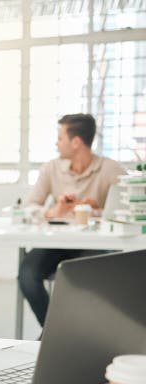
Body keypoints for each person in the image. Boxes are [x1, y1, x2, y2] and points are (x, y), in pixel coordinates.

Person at [19, 113, 125, 327]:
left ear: (76, 142)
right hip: (55, 243)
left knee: (85, 280)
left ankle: (82, 333)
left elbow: (126, 212)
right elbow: (28, 208)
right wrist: (53, 211)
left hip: (93, 245)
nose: (56, 144)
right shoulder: (51, 169)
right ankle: (54, 330)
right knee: (27, 275)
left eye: (60, 139)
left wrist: (97, 210)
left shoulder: (109, 169)